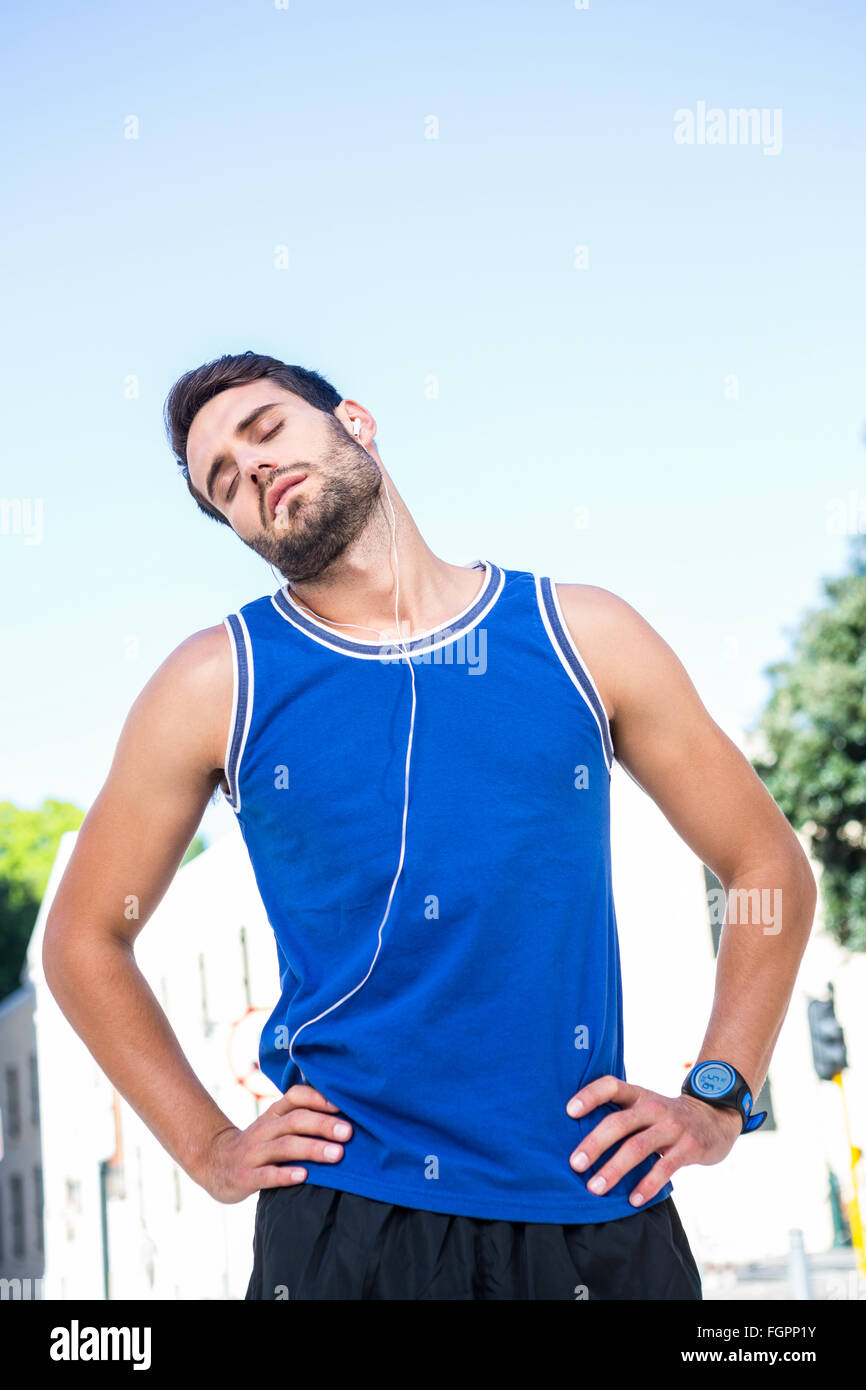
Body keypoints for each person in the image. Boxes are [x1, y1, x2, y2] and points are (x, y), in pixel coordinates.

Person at [42, 351, 817, 1301]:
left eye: (266, 429)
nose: (252, 472)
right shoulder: (216, 682)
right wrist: (208, 1147)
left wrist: (718, 1098)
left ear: (355, 422)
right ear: (237, 527)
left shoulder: (582, 633)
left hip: (601, 1207)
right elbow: (83, 940)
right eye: (224, 483)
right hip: (347, 1224)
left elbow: (765, 864)